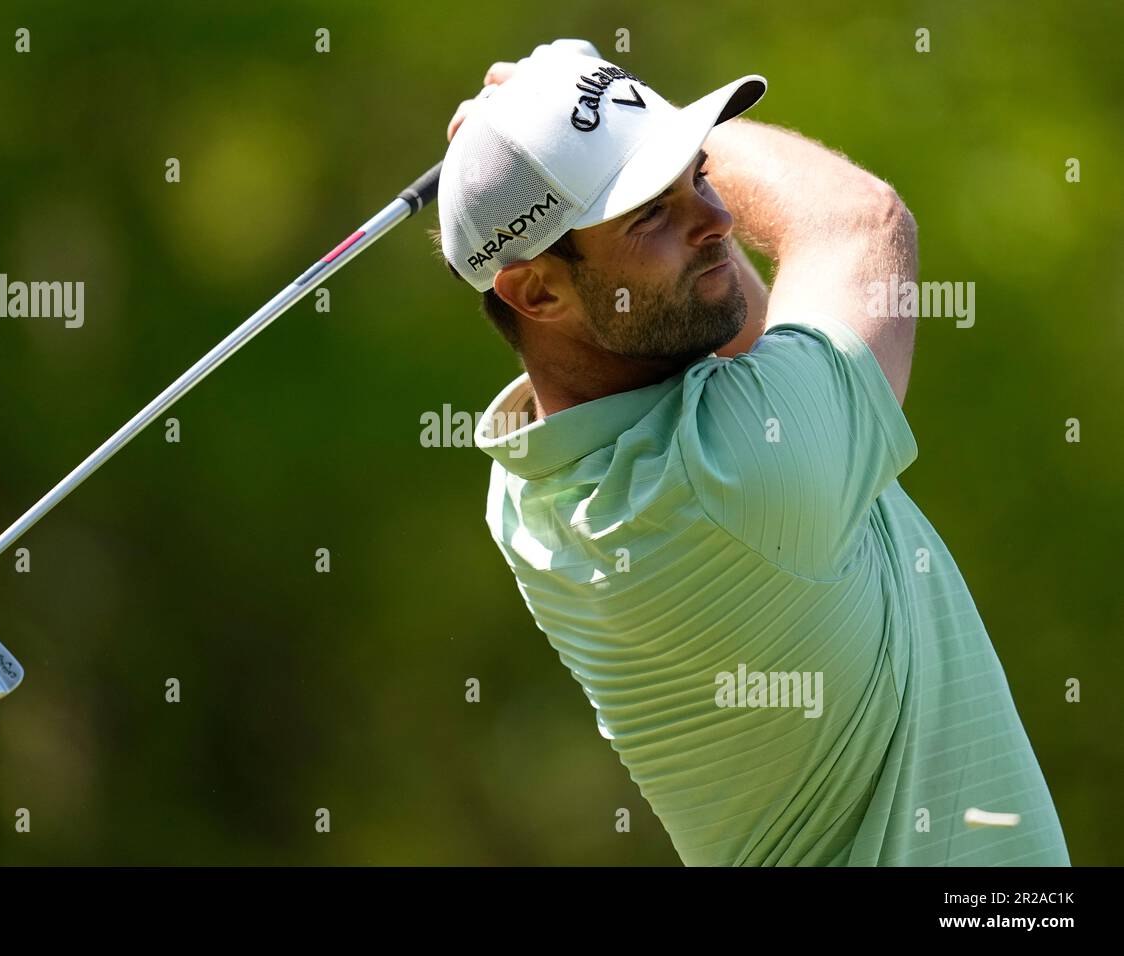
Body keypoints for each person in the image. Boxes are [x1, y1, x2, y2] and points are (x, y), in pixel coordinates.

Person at [433, 38, 1070, 865]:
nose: (720, 217)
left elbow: (734, 329)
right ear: (538, 290)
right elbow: (860, 220)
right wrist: (614, 102)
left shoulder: (530, 486)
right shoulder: (736, 475)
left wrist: (587, 122)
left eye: (698, 176)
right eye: (651, 213)